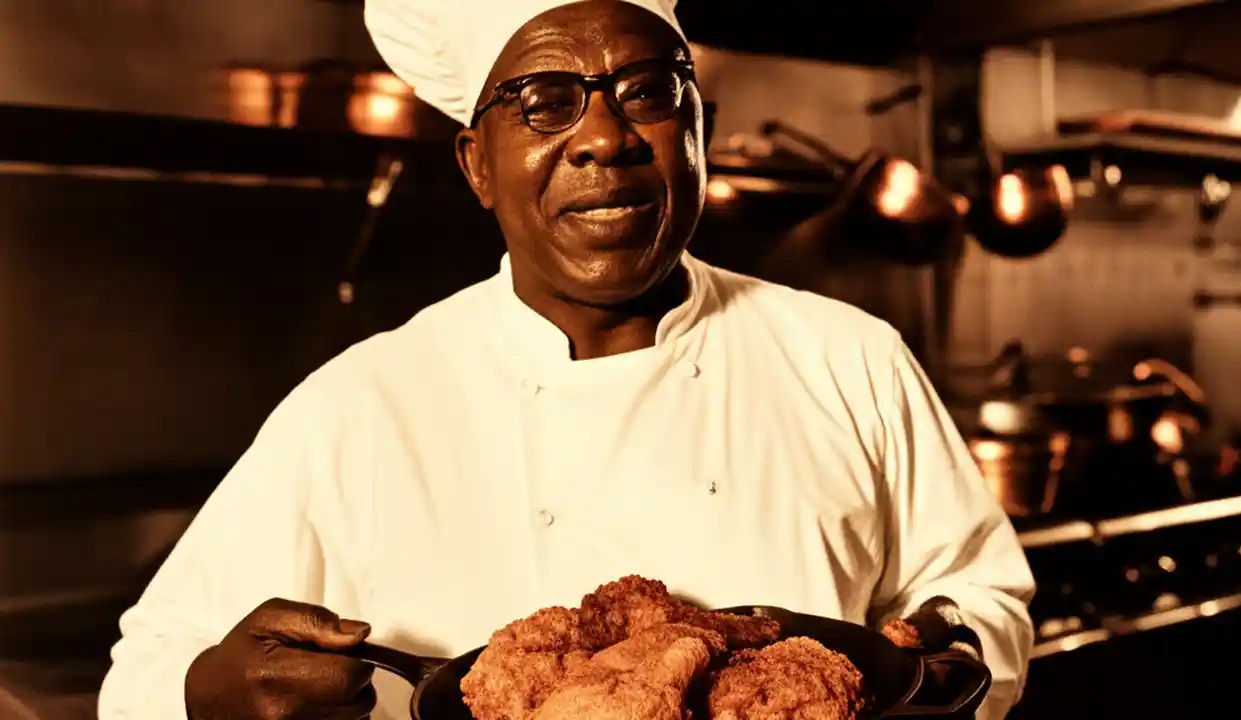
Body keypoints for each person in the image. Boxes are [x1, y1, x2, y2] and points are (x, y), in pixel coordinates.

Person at [97, 1, 1036, 718]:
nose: (605, 137)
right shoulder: (360, 406)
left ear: (699, 130)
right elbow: (145, 672)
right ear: (477, 164)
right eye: (544, 103)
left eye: (648, 92)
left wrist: (949, 650)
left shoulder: (850, 359)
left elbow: (976, 593)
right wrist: (204, 696)